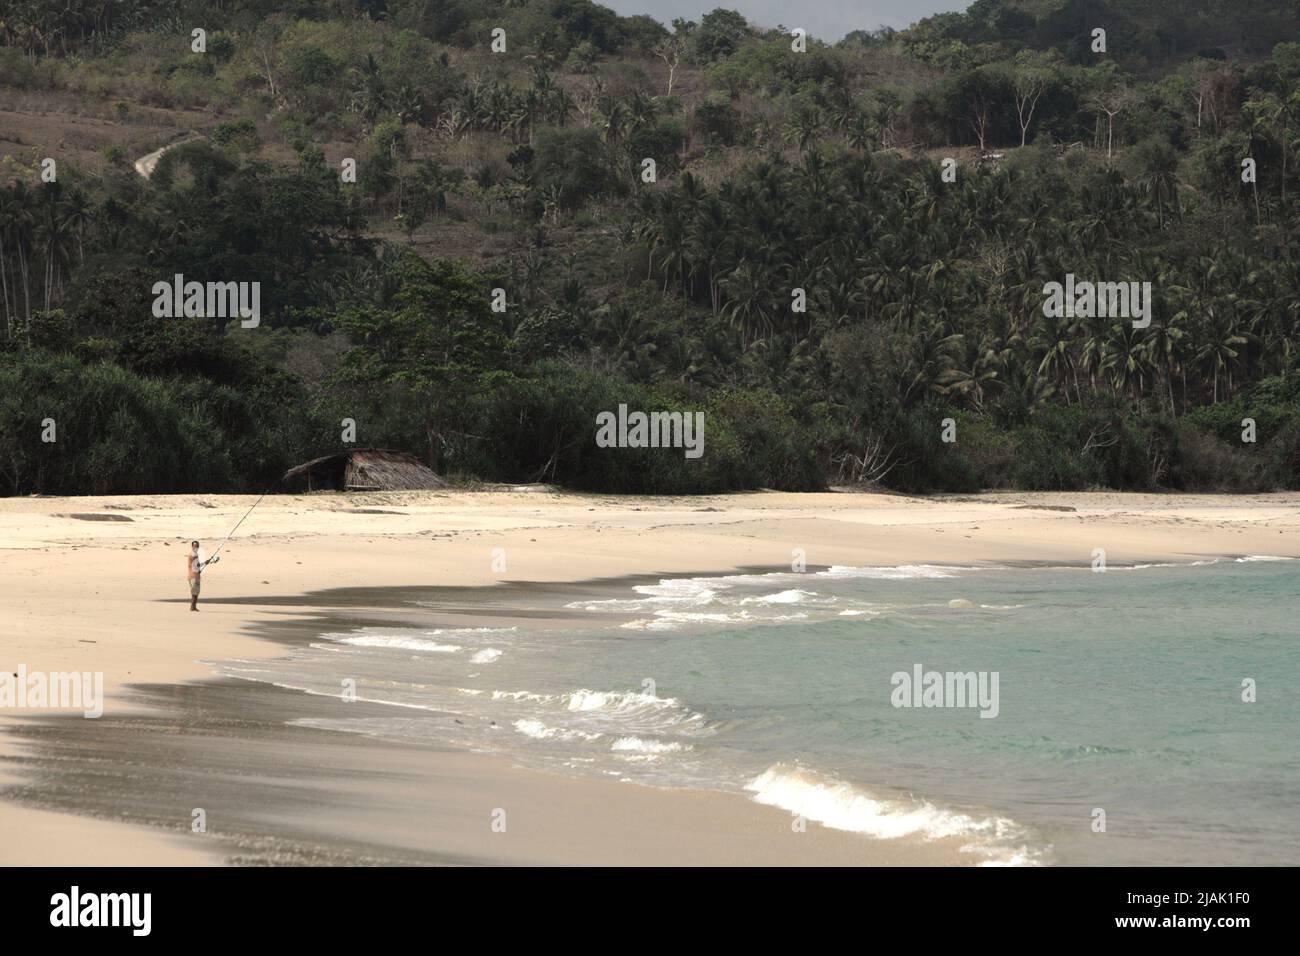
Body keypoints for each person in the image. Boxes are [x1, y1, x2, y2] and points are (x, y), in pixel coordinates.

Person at [186, 541, 217, 611]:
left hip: (193, 575)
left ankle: (193, 607)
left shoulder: (194, 554)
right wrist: (205, 562)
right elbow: (196, 565)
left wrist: (208, 561)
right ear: (192, 546)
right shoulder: (193, 554)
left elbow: (196, 565)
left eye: (197, 546)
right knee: (195, 592)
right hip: (194, 576)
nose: (196, 547)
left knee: (195, 592)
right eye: (194, 546)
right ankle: (192, 607)